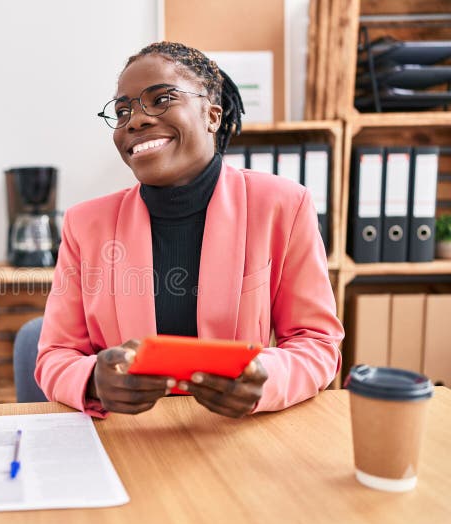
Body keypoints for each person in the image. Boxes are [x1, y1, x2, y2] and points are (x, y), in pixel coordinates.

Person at [35, 41, 344, 418]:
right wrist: (93, 381)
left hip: (232, 436)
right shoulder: (86, 224)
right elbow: (55, 354)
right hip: (127, 437)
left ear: (212, 116)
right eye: (122, 110)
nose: (135, 120)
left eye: (162, 98)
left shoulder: (282, 205)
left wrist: (267, 377)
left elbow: (316, 343)